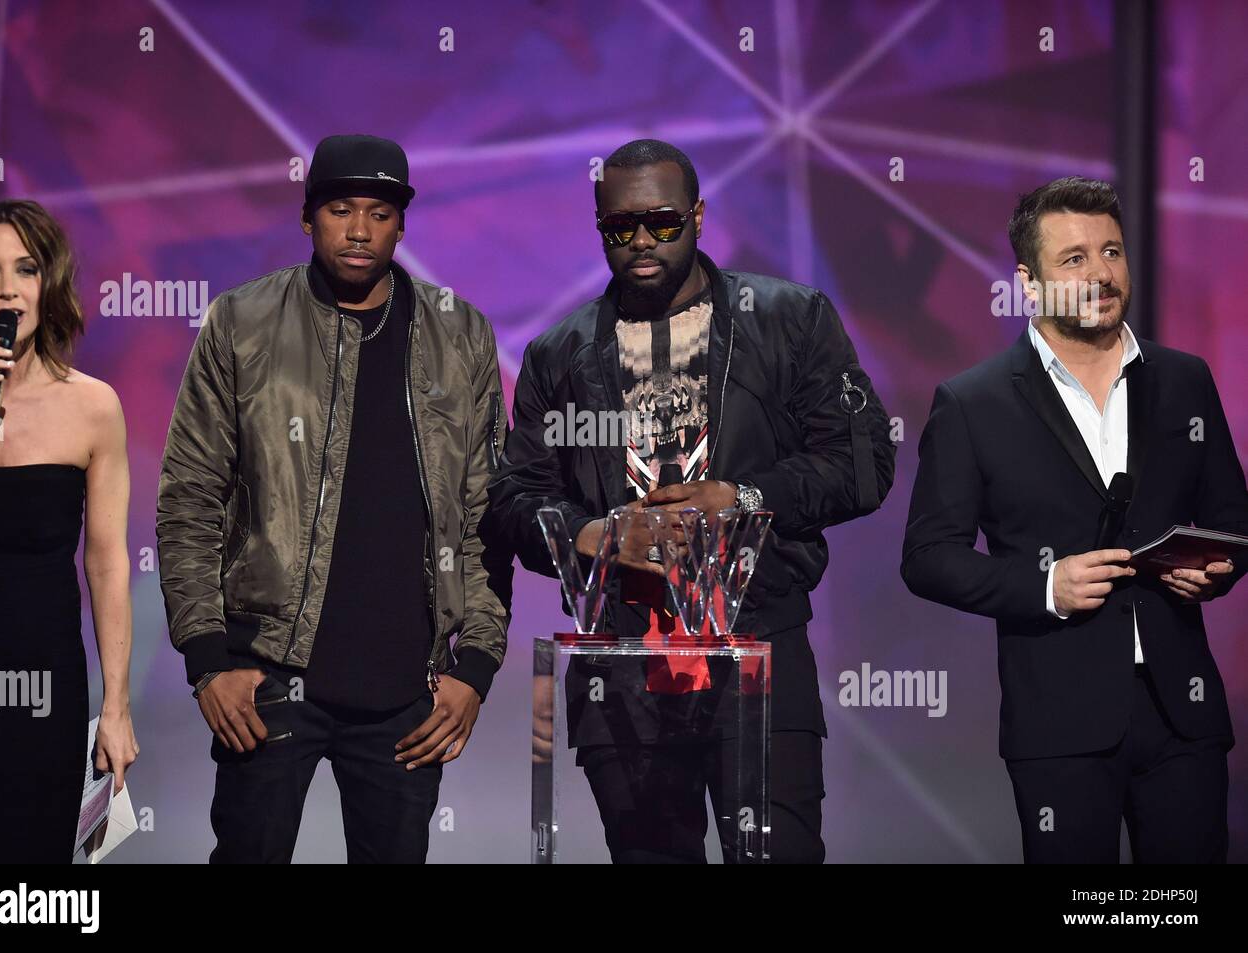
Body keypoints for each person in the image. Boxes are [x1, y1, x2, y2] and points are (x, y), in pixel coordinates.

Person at [488, 139, 895, 863]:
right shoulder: (560, 354)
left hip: (757, 648)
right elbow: (513, 496)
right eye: (621, 226)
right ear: (600, 225)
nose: (641, 240)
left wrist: (744, 497)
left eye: (663, 222)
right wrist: (590, 536)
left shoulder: (788, 319)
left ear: (698, 217)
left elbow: (864, 462)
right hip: (622, 661)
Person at [157, 135, 511, 863]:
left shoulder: (461, 334)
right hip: (268, 680)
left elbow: (484, 517)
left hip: (408, 693)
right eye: (339, 209)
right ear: (307, 215)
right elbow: (189, 497)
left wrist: (474, 669)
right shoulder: (242, 321)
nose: (358, 230)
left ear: (402, 224)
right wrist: (206, 662)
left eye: (378, 212)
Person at [901, 177, 1248, 863]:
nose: (1101, 273)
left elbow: (1233, 516)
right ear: (1029, 284)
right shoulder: (973, 404)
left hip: (1184, 712)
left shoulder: (1185, 380)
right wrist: (1045, 587)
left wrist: (1220, 566)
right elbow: (929, 555)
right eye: (1075, 259)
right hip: (1058, 721)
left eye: (1111, 251)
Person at [0, 199, 138, 863]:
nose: (7, 288)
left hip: (41, 688)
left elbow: (109, 564)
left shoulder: (91, 406)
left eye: (25, 269)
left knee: (33, 887)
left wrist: (114, 707)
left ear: (47, 282)